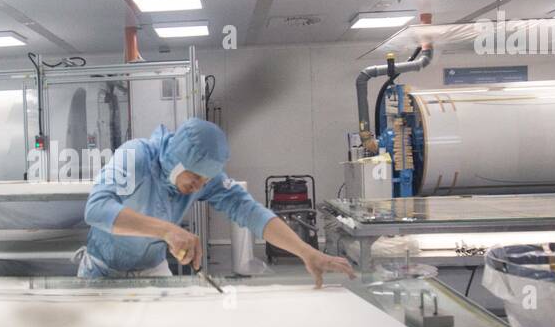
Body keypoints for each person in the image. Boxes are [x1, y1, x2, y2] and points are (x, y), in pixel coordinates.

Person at [79, 118, 355, 285]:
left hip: (152, 268)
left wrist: (307, 252)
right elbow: (97, 209)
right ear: (177, 160)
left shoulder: (203, 177)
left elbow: (251, 212)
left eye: (206, 181)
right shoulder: (135, 156)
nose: (199, 187)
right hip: (102, 269)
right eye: (195, 178)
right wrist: (167, 230)